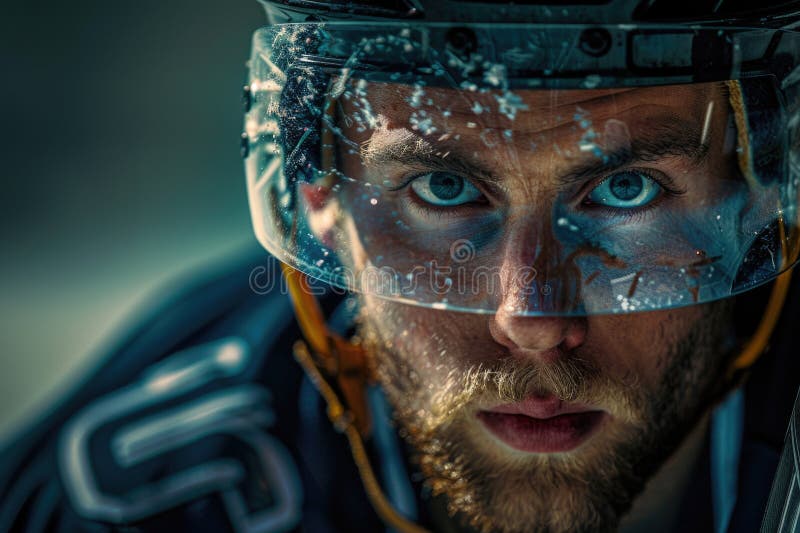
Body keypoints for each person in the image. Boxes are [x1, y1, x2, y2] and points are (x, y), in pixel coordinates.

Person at [2, 1, 800, 532]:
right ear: (319, 195)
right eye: (442, 188)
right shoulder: (137, 502)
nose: (531, 319)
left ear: (759, 189)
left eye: (629, 190)